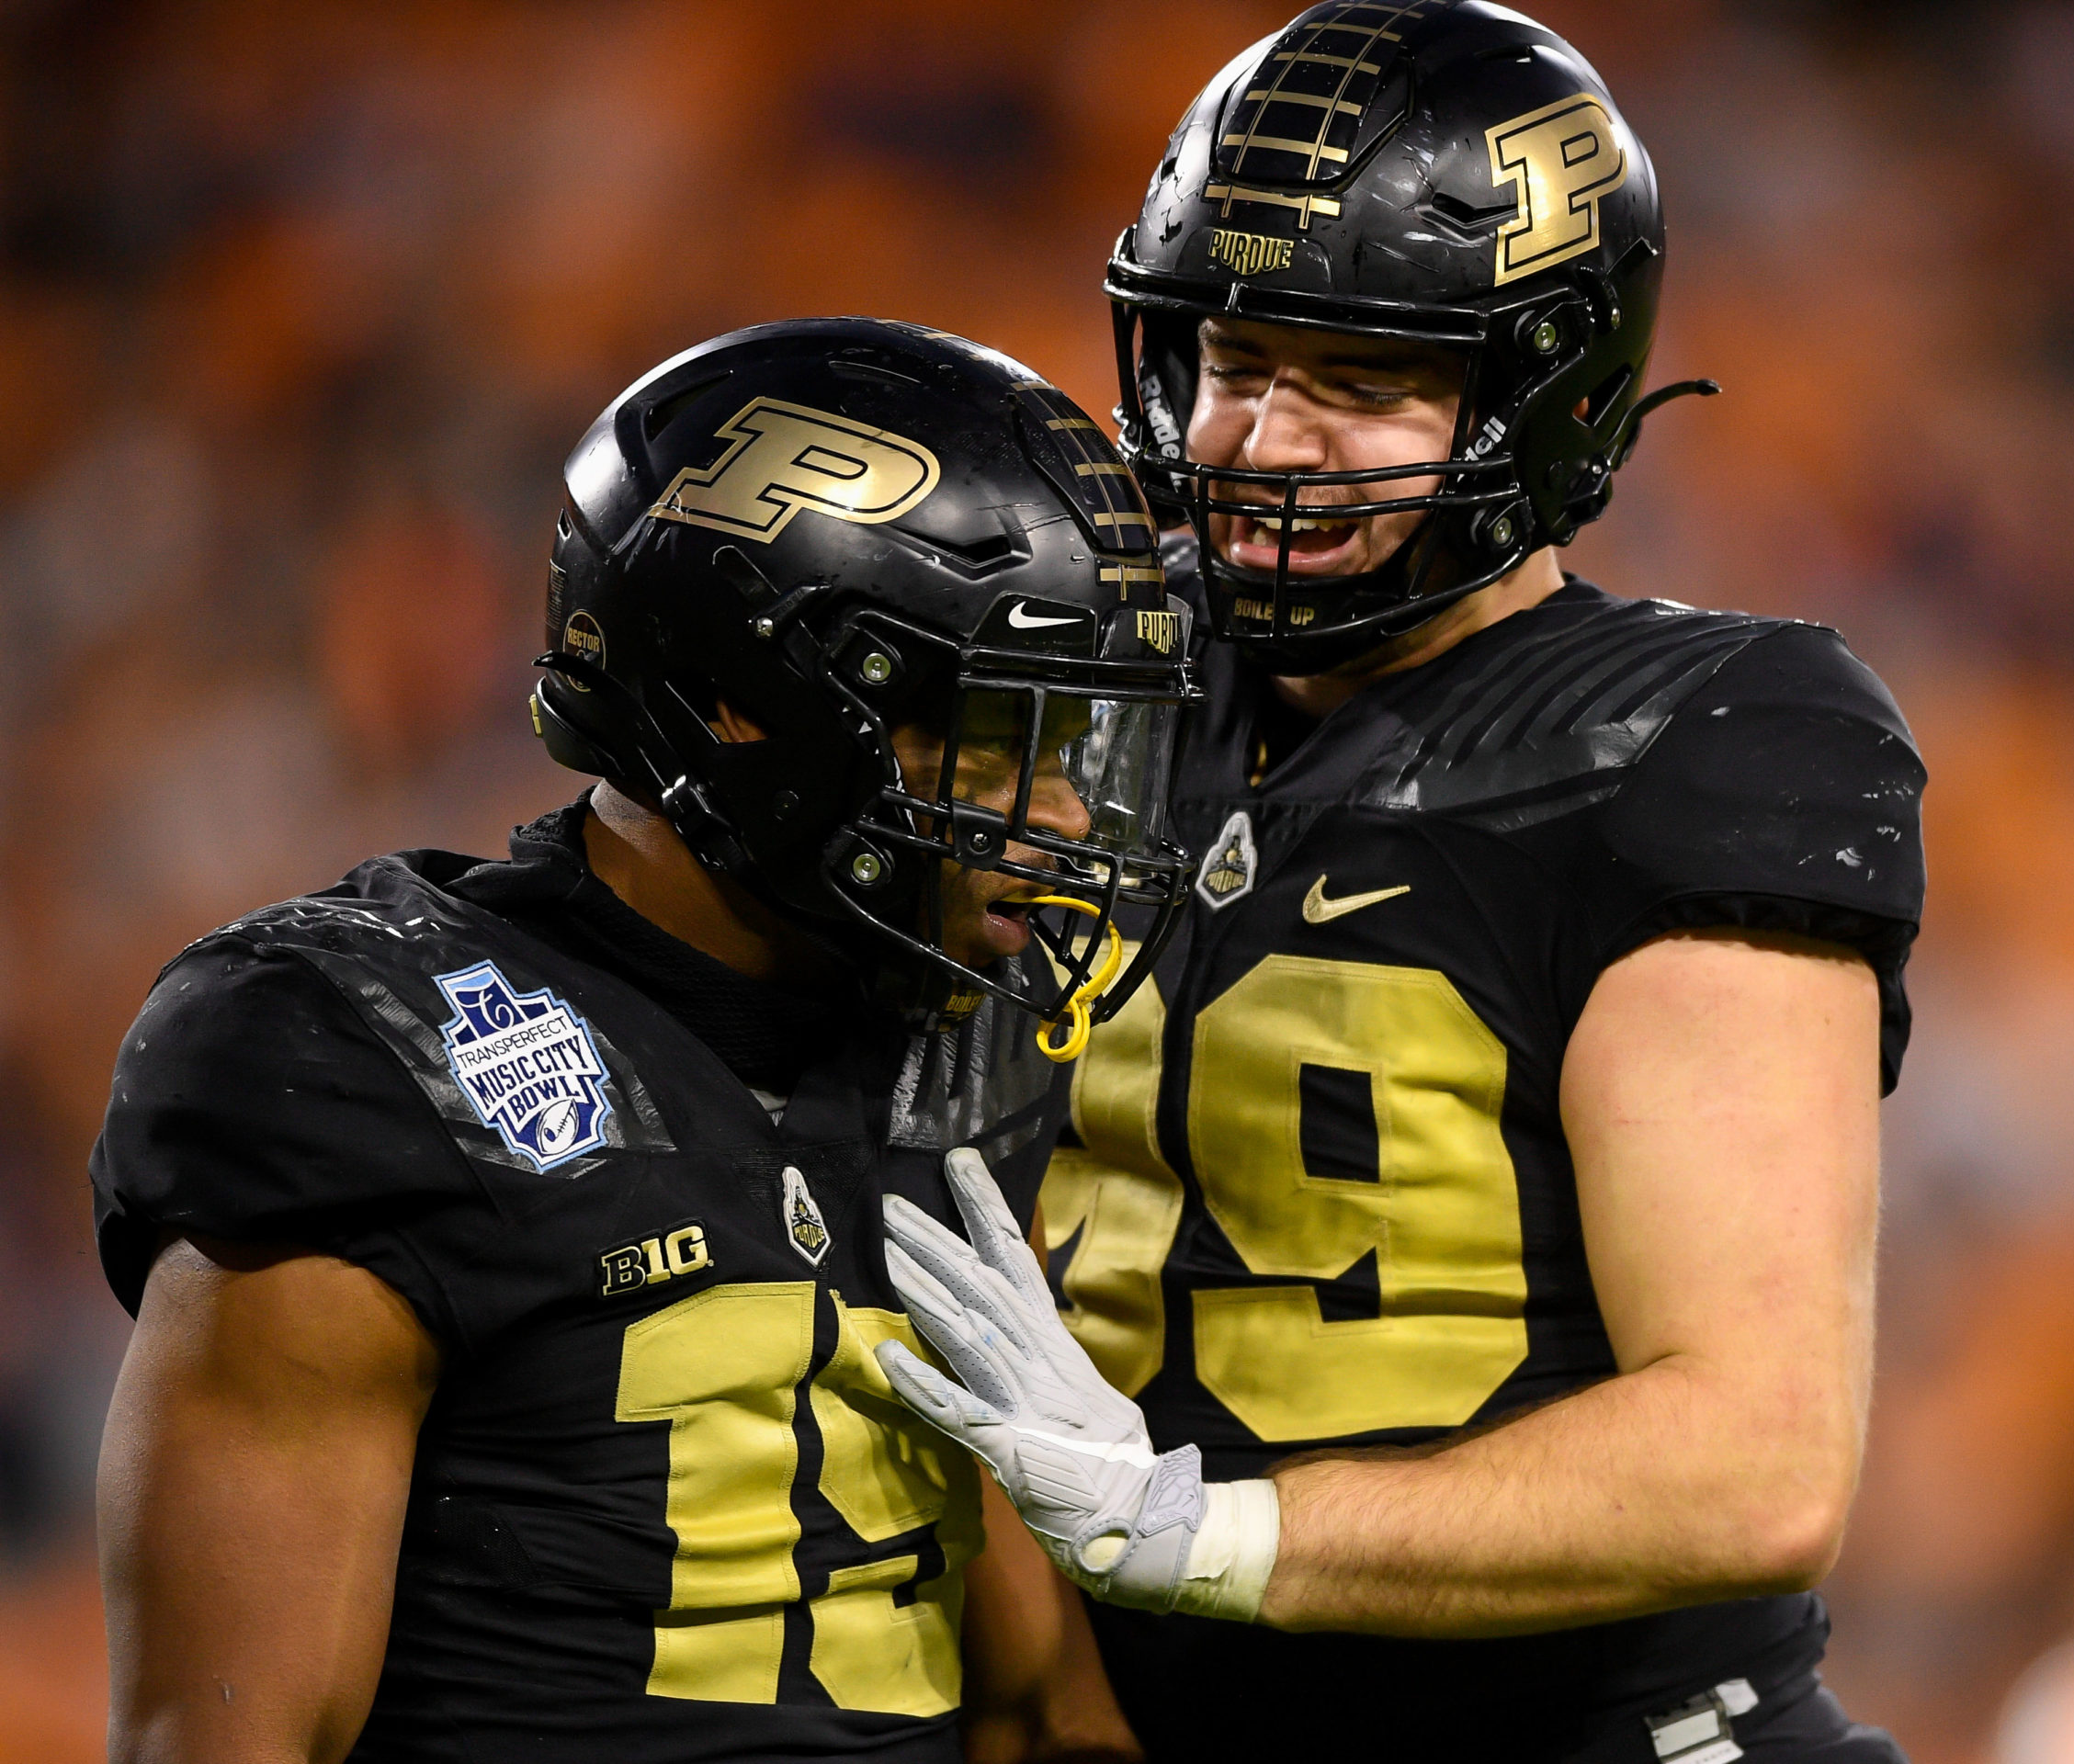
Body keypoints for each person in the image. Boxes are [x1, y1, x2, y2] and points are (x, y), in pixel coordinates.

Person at [872, 6, 1928, 1762]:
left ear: (1545, 392)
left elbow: (1753, 1466)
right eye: (1233, 359)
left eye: (1362, 381)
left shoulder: (1704, 737)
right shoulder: (1072, 702)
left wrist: (1199, 1530)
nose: (1268, 440)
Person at [90, 318, 1198, 1764]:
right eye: (991, 738)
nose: (1052, 819)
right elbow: (225, 1742)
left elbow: (1038, 1709)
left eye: (1065, 754)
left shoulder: (965, 1051)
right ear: (744, 708)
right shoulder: (363, 1052)